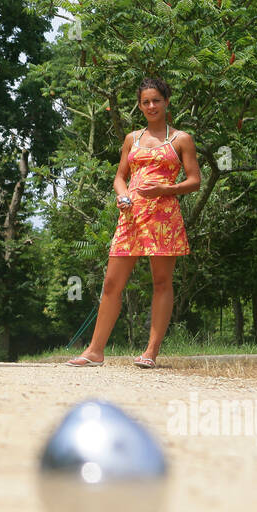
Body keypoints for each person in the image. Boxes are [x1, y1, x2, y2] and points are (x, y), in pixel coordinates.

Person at [67, 77, 201, 368]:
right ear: (139, 106)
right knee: (112, 284)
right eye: (145, 102)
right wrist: (122, 195)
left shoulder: (181, 139)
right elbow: (120, 176)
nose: (151, 106)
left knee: (162, 282)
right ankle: (94, 351)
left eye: (156, 100)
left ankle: (150, 352)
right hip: (130, 217)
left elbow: (194, 181)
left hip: (164, 218)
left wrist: (165, 189)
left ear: (166, 101)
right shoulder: (132, 138)